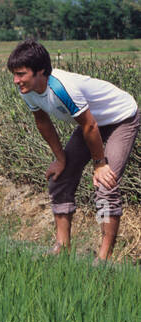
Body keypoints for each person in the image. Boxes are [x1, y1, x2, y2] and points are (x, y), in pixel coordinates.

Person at [9, 39, 139, 260]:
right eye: (14, 74)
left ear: (40, 71)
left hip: (121, 118)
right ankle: (62, 248)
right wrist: (60, 158)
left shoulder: (61, 88)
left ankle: (103, 259)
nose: (16, 80)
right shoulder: (27, 89)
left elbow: (90, 125)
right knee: (60, 178)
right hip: (91, 123)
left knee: (105, 185)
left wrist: (100, 165)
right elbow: (43, 122)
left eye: (21, 74)